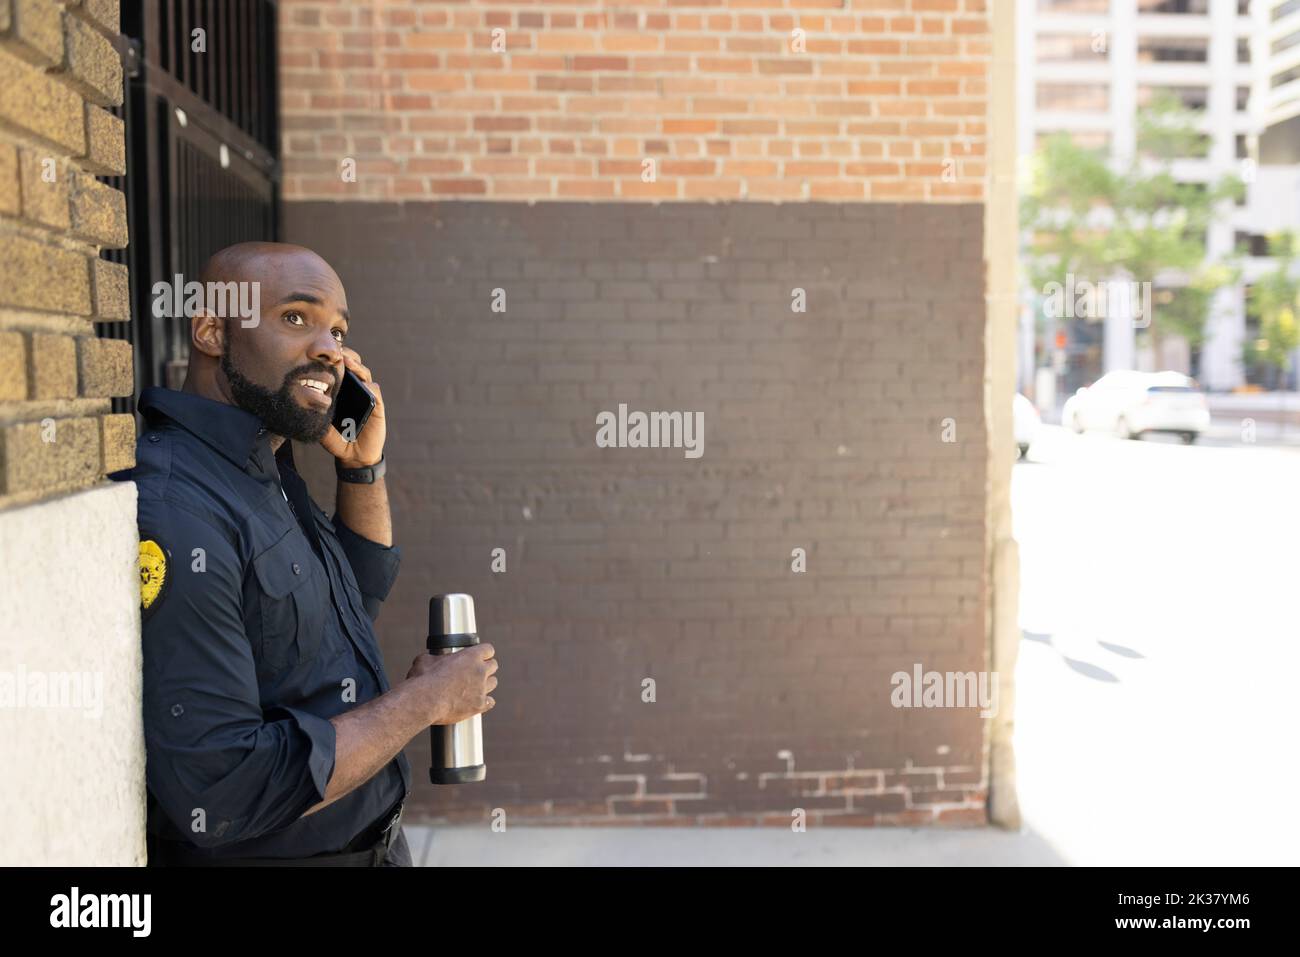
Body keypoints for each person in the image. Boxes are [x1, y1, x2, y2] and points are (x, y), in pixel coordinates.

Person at [120, 242, 498, 866]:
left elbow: (357, 595)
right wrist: (424, 701)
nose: (331, 348)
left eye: (338, 328)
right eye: (297, 318)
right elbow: (222, 792)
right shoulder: (177, 510)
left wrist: (363, 469)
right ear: (213, 331)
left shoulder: (264, 465)